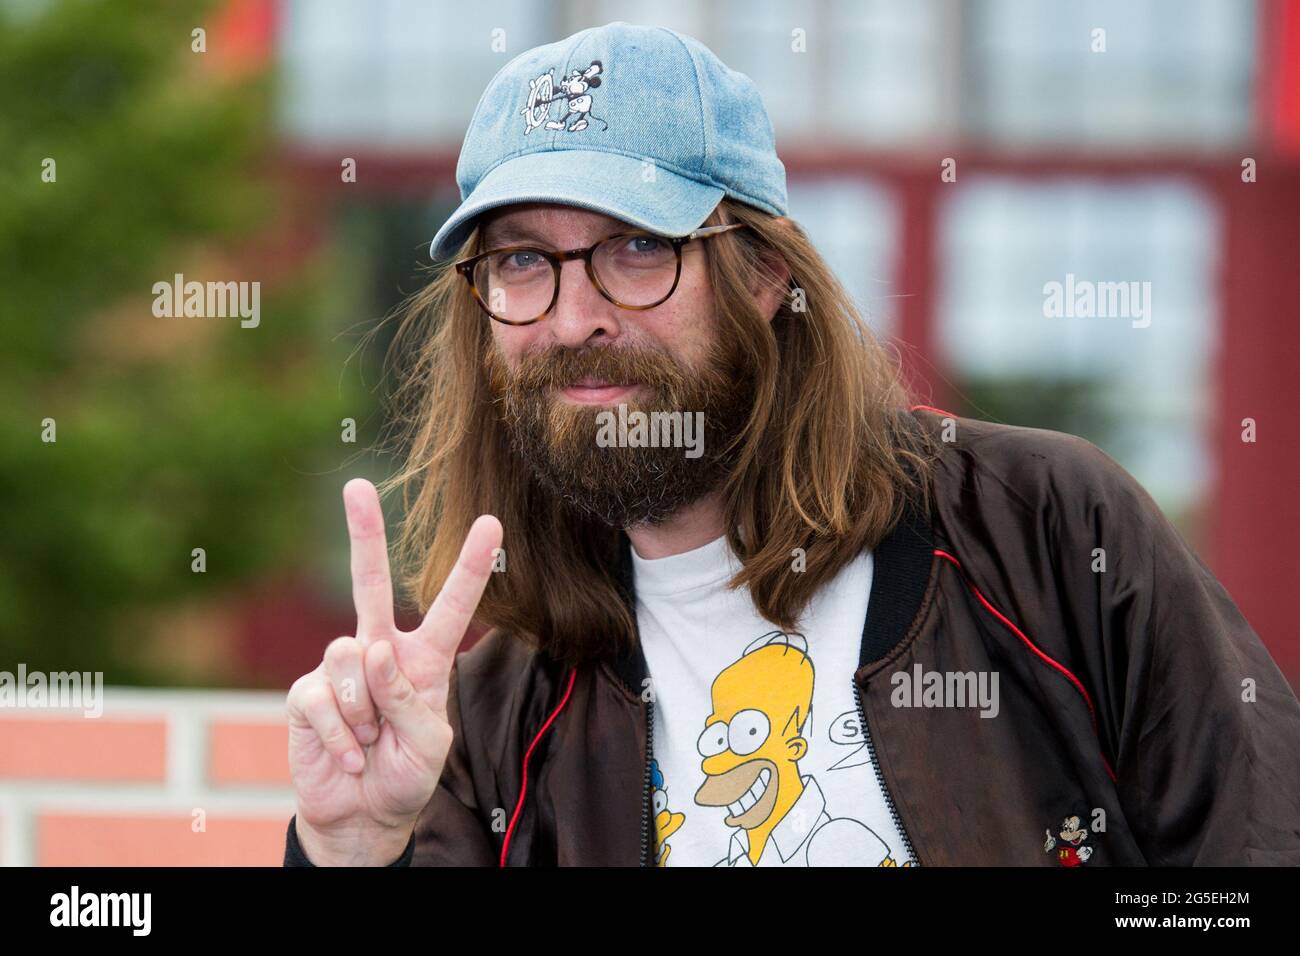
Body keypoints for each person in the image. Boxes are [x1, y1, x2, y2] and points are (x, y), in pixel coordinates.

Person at [283, 21, 1300, 867]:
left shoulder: (1042, 530)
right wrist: (348, 850)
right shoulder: (499, 714)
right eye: (519, 260)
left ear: (765, 276)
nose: (571, 315)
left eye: (637, 247)